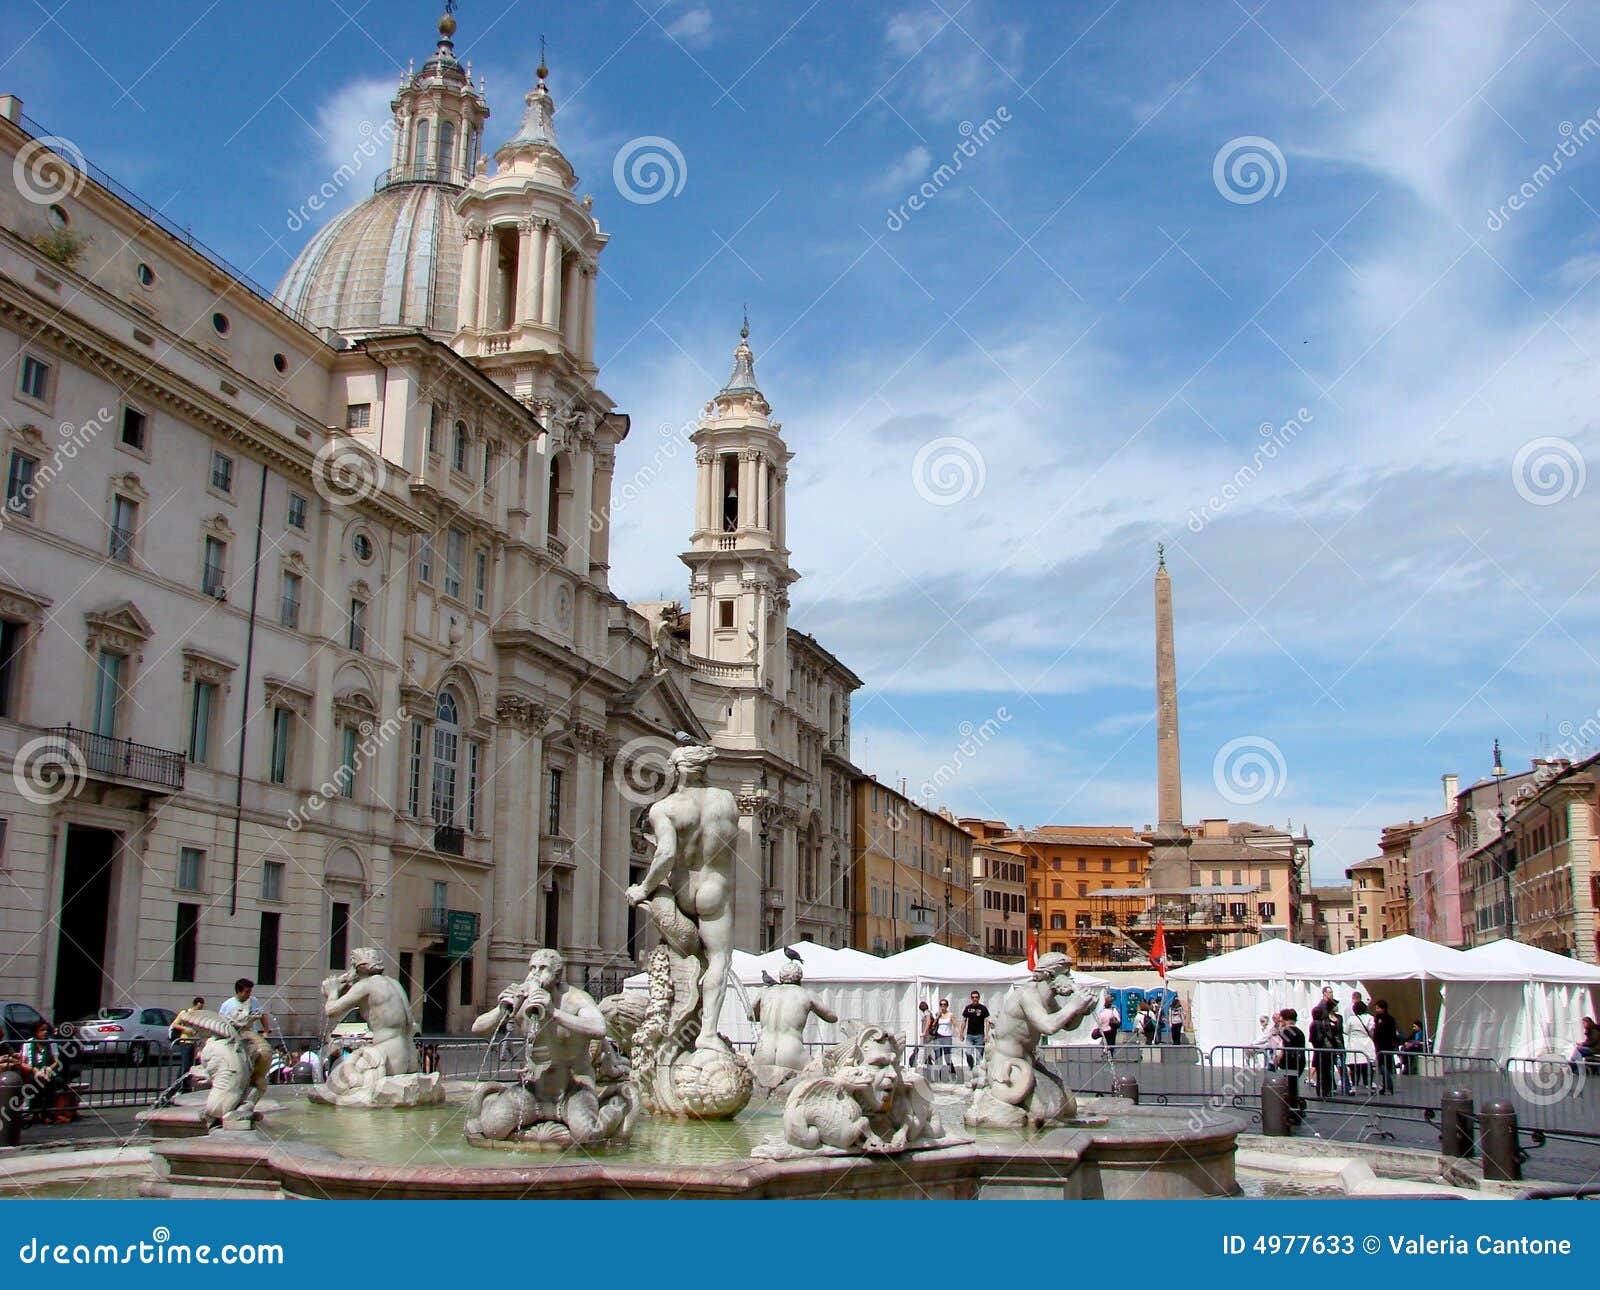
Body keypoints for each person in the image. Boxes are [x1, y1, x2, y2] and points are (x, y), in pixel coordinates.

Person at [17, 1021, 72, 1123]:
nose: (45, 1032)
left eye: (46, 1030)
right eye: (42, 1030)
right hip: (32, 1072)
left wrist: (49, 1068)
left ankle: (48, 1113)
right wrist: (33, 1069)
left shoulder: (51, 1043)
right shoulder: (28, 1043)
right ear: (35, 1032)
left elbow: (56, 1061)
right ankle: (37, 1112)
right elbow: (23, 1063)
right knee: (36, 1081)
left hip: (47, 1071)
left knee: (53, 1081)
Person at [1277, 1008, 1307, 1126]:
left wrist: (1279, 1058)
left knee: (1290, 1088)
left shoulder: (1287, 1031)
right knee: (1292, 1087)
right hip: (1299, 1061)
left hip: (1290, 1062)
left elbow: (1284, 1046)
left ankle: (1293, 1113)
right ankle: (1294, 1110)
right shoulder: (1299, 1032)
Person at [1370, 999, 1400, 1093]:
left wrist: (1394, 1042)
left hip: (1386, 1045)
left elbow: (1391, 1032)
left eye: (1378, 1008)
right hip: (1380, 1045)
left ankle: (1389, 1085)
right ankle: (1385, 1085)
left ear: (1383, 1008)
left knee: (1384, 1066)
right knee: (1383, 1066)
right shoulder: (1377, 1018)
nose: (1376, 1010)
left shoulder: (1388, 1019)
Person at [1347, 999, 1376, 1090]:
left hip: (1354, 1043)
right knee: (1367, 1066)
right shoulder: (1370, 1018)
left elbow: (1346, 1030)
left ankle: (1354, 1087)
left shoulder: (1351, 1019)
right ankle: (1369, 1085)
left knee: (1354, 1067)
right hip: (1366, 1043)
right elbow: (1372, 1030)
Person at [961, 991, 990, 1070]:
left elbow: (987, 1021)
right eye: (973, 997)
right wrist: (961, 1033)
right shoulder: (968, 1008)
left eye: (976, 997)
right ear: (971, 998)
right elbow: (964, 1020)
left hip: (980, 1035)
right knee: (968, 1053)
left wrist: (987, 1034)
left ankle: (977, 1071)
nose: (975, 999)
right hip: (970, 1035)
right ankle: (971, 1065)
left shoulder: (983, 1008)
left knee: (979, 1056)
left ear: (979, 998)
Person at [933, 999, 956, 1078]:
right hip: (939, 1036)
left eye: (944, 1004)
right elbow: (933, 1025)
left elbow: (955, 1025)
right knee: (938, 1056)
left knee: (947, 1057)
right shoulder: (938, 1014)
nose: (943, 1006)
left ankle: (952, 1072)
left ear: (947, 1005)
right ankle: (938, 1076)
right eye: (941, 1004)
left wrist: (960, 1034)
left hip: (947, 1037)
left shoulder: (950, 1014)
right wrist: (937, 1018)